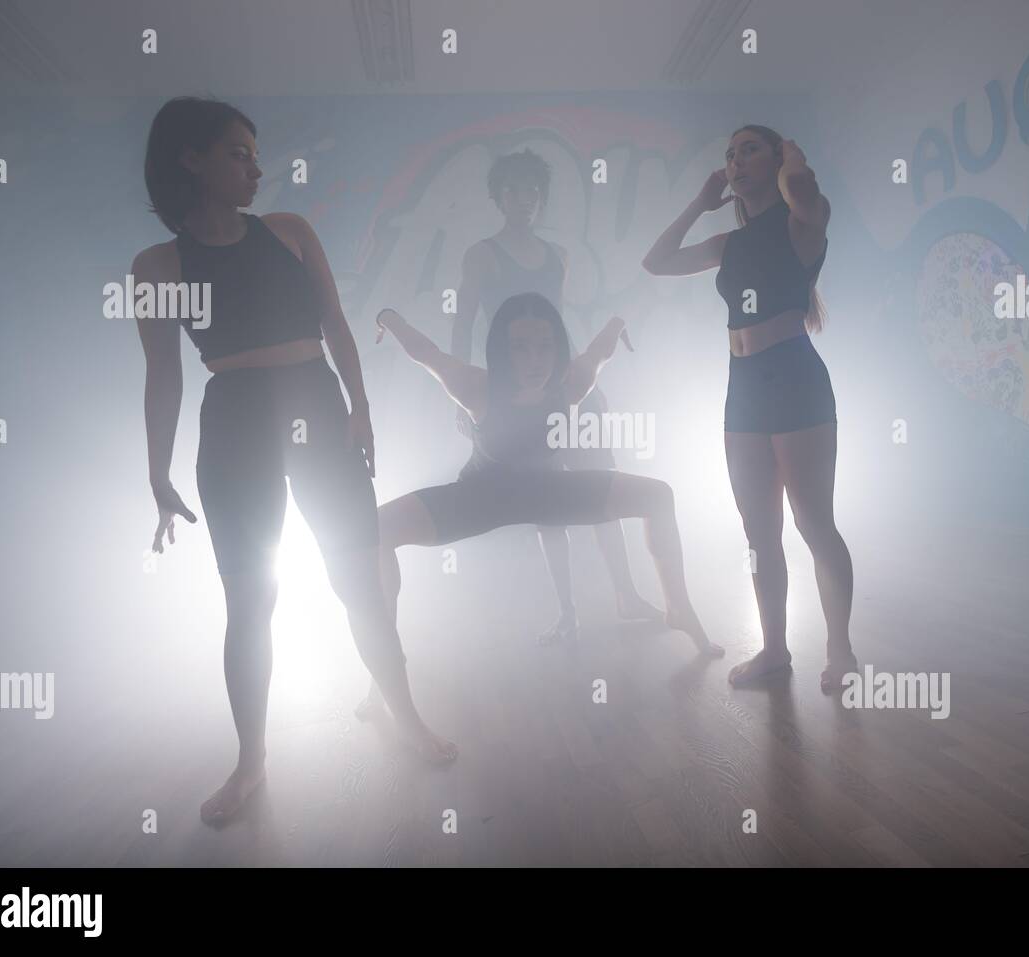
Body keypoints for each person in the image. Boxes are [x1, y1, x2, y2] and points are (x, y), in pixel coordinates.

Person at [133, 96, 454, 828]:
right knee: (250, 602)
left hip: (315, 400)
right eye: (239, 153)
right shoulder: (155, 264)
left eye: (256, 153)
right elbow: (163, 376)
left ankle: (405, 716)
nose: (256, 167)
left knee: (358, 579)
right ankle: (251, 761)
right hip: (235, 421)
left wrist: (362, 407)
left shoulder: (289, 231)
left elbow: (336, 324)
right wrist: (157, 473)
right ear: (191, 159)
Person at [356, 292, 723, 715]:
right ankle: (381, 670)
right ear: (502, 351)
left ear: (558, 348)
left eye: (546, 346)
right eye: (521, 347)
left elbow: (600, 350)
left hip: (550, 491)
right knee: (377, 531)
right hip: (482, 495)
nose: (536, 360)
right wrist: (388, 316)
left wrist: (619, 322)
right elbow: (426, 353)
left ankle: (680, 609)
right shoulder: (475, 386)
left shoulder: (571, 383)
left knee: (658, 496)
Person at [642, 125, 857, 692]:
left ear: (778, 159)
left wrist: (793, 157)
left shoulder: (799, 223)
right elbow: (656, 262)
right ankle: (775, 650)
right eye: (729, 153)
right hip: (743, 389)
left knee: (814, 524)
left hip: (795, 380)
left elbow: (805, 190)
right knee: (759, 534)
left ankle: (841, 651)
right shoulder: (728, 244)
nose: (735, 161)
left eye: (749, 150)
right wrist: (700, 200)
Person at [452, 149, 661, 644]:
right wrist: (460, 399)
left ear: (540, 197)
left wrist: (582, 381)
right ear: (498, 196)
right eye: (513, 190)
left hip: (564, 385)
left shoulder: (558, 256)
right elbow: (461, 323)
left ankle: (626, 594)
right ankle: (568, 613)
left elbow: (558, 326)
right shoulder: (482, 254)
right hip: (514, 397)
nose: (523, 200)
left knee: (600, 484)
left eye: (532, 191)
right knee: (547, 503)